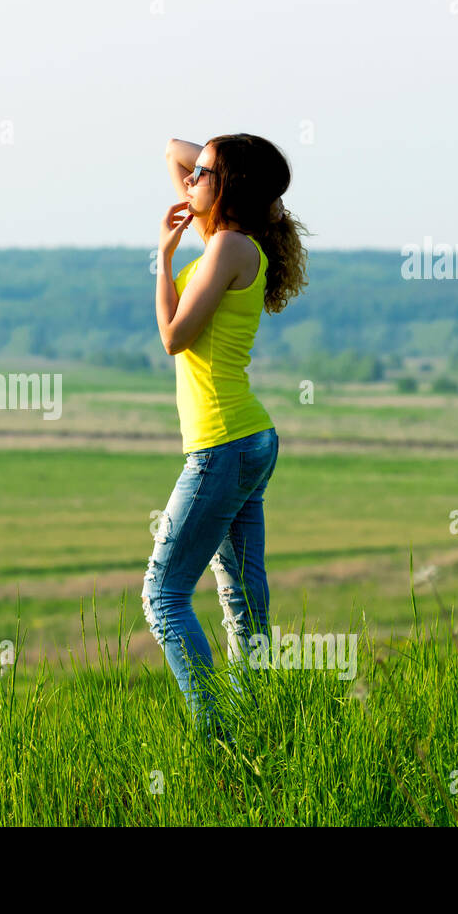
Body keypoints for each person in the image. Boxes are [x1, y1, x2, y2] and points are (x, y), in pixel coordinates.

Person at [141, 133, 310, 739]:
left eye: (204, 174)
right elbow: (174, 150)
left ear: (229, 185)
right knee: (242, 605)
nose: (189, 180)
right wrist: (213, 161)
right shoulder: (232, 241)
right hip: (246, 439)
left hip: (220, 444)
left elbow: (173, 337)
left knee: (163, 596)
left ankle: (220, 742)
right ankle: (261, 731)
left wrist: (161, 259)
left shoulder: (226, 247)